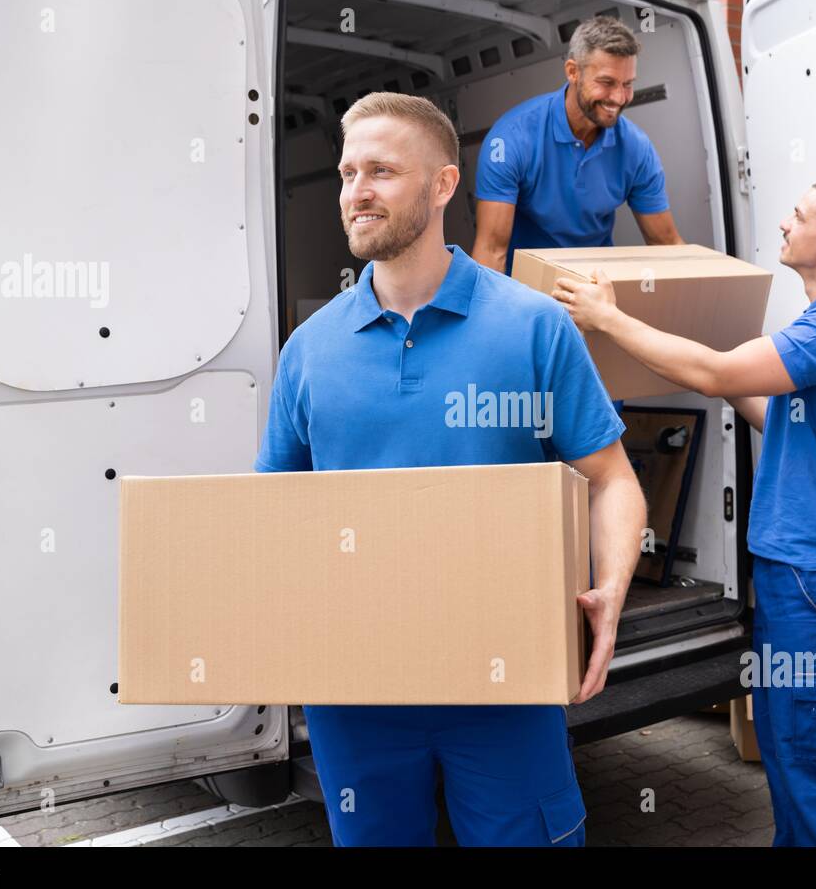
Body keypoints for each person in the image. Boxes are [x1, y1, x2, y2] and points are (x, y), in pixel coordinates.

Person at [254, 92, 647, 846]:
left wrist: (611, 587)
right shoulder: (309, 348)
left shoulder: (532, 326)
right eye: (345, 173)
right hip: (354, 683)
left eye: (380, 171)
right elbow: (277, 513)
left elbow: (612, 478)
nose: (355, 193)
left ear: (441, 187)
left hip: (503, 673)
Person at [551, 179, 816, 846]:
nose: (783, 223)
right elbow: (773, 412)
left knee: (809, 751)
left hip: (814, 576)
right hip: (801, 571)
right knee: (787, 739)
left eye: (798, 216)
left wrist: (609, 318)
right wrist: (716, 366)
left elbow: (713, 374)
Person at [471, 15, 682, 276]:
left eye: (627, 85)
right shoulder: (511, 138)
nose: (618, 98)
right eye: (606, 83)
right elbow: (491, 253)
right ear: (572, 72)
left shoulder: (636, 148)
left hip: (596, 285)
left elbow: (666, 245)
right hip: (525, 287)